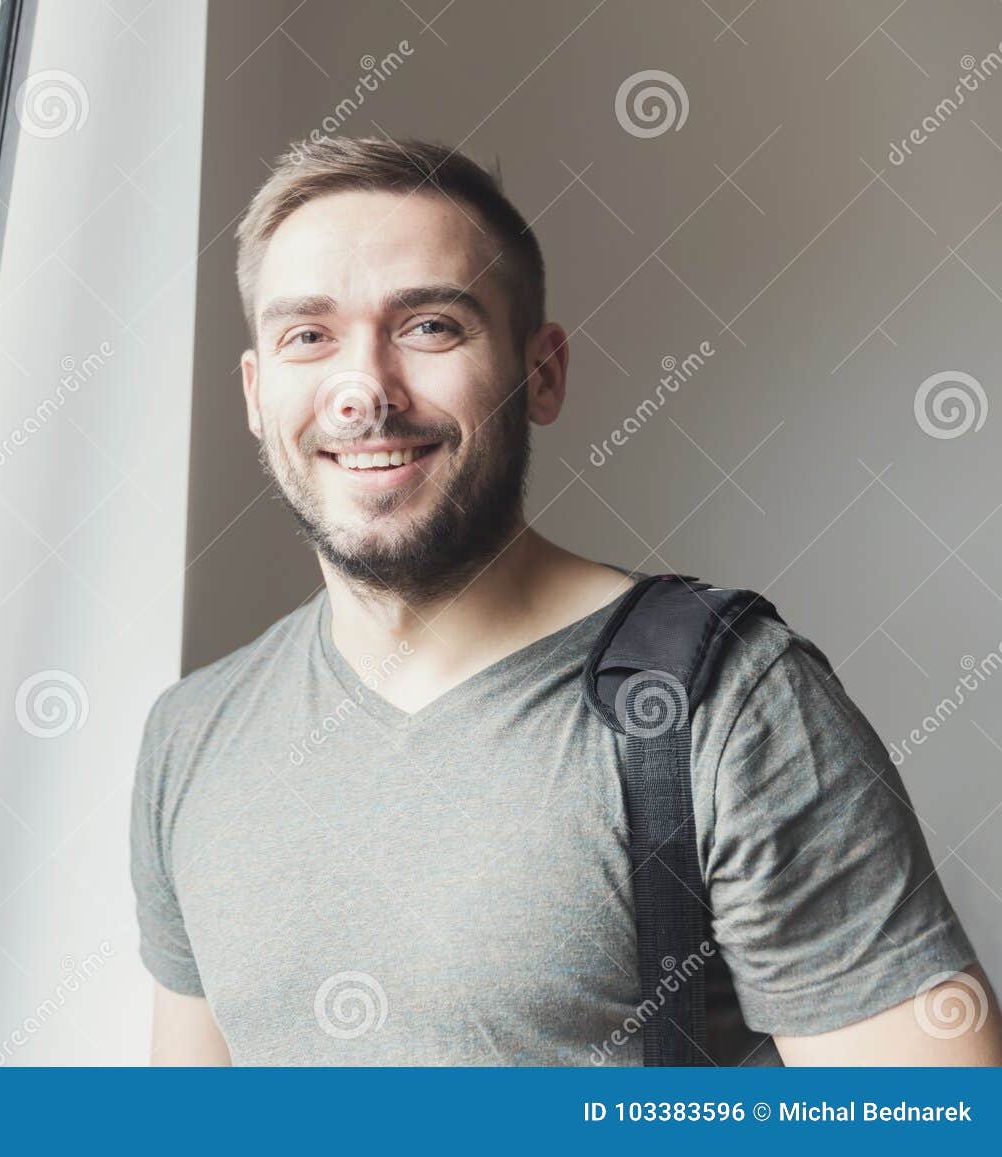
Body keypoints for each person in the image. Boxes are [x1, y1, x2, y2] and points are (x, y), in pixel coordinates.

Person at [128, 135, 1001, 1066]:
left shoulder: (729, 703)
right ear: (258, 395)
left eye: (429, 326)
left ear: (540, 374)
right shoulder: (191, 735)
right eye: (309, 335)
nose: (363, 392)